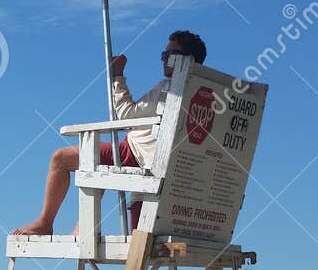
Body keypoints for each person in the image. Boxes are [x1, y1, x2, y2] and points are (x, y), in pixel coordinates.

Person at [13, 31, 206, 236]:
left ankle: (46, 223)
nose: (163, 58)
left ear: (185, 59)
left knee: (61, 158)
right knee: (98, 159)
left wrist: (117, 75)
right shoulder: (205, 93)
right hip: (183, 175)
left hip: (141, 157)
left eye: (169, 54)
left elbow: (126, 114)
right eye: (163, 54)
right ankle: (82, 226)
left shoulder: (169, 89)